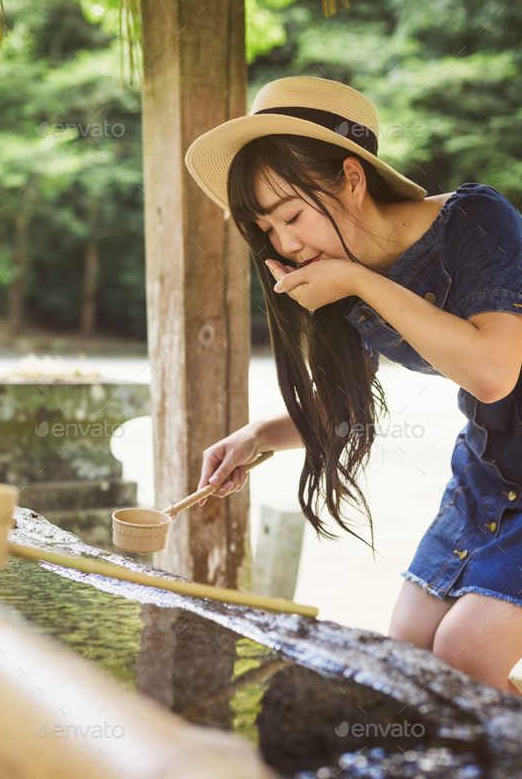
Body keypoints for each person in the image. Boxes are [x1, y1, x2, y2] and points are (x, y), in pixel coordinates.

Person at [184, 76, 522, 694]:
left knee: (464, 666)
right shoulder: (342, 269)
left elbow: (494, 373)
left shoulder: (476, 222)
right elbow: (345, 403)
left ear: (352, 177)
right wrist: (258, 436)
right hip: (490, 474)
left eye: (291, 215)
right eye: (267, 227)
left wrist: (362, 284)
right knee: (408, 667)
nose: (284, 243)